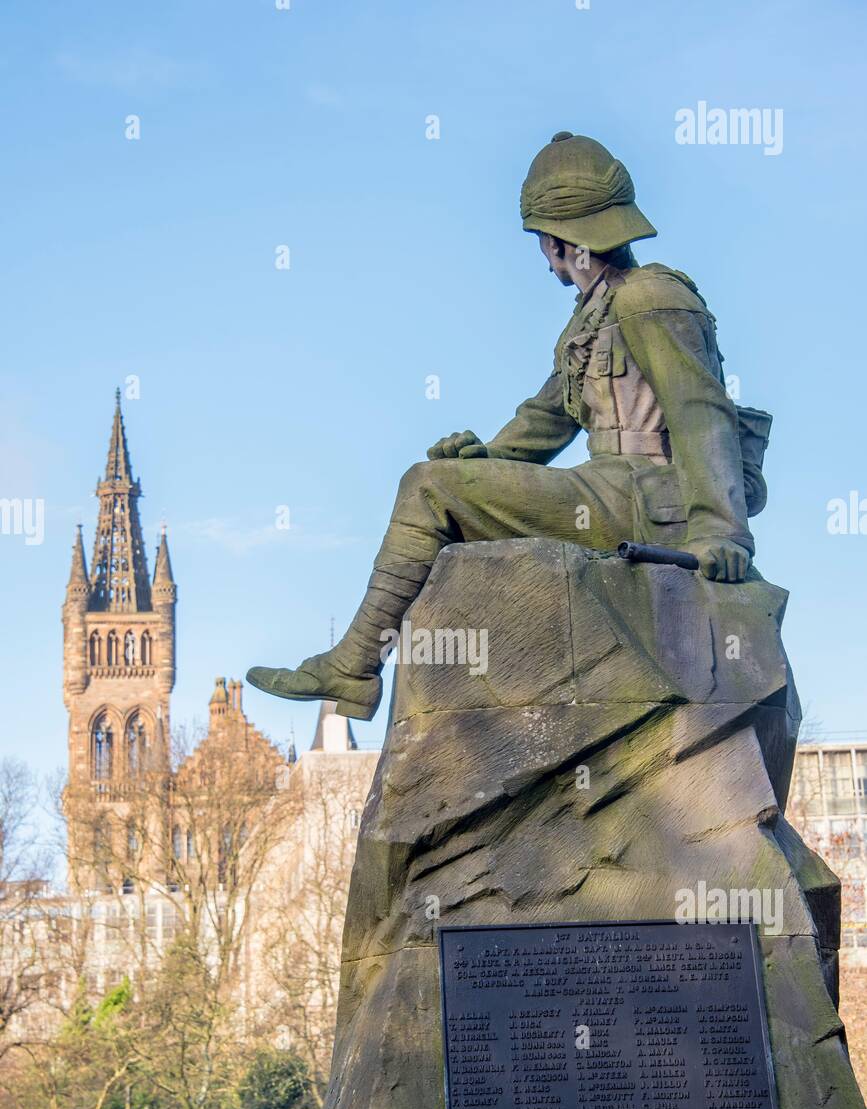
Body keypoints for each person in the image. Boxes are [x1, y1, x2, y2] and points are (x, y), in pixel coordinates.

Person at [248, 132, 769, 721]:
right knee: (441, 479)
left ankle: (353, 666)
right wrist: (481, 458)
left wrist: (721, 532)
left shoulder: (649, 296)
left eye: (542, 242)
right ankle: (354, 665)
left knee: (425, 486)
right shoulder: (590, 316)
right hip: (610, 489)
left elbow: (700, 411)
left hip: (647, 501)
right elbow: (543, 423)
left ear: (557, 241)